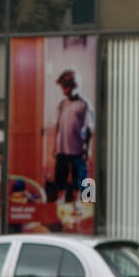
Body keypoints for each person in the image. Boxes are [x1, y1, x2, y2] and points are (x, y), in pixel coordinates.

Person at [52, 70, 94, 206]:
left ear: (75, 86)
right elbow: (57, 125)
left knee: (80, 176)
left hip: (78, 149)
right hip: (62, 148)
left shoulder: (84, 105)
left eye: (66, 88)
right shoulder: (62, 104)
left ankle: (79, 201)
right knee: (60, 175)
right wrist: (54, 145)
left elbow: (89, 129)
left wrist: (88, 149)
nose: (64, 91)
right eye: (62, 88)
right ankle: (61, 198)